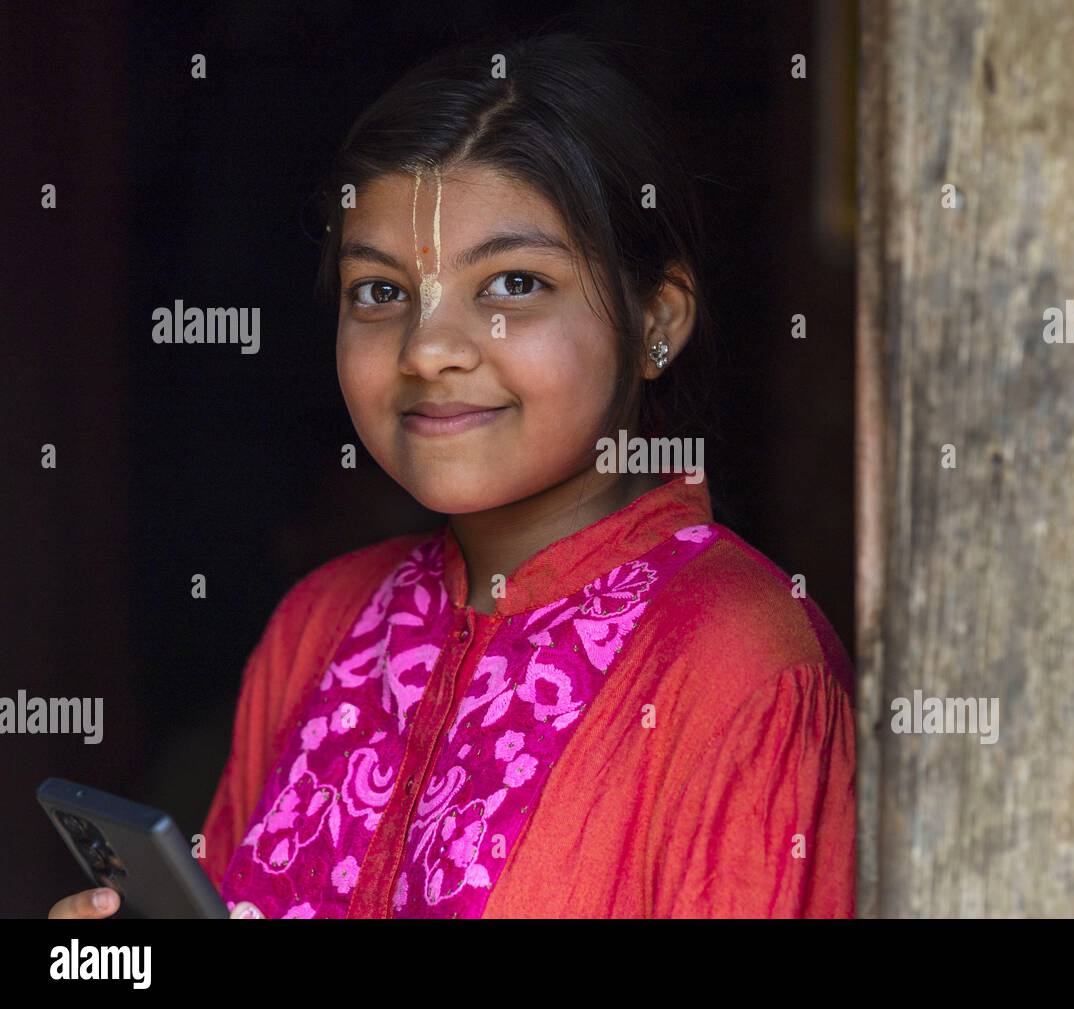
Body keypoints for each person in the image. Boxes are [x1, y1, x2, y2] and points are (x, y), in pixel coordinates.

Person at [50, 30, 855, 920]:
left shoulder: (739, 664)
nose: (428, 349)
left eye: (513, 283)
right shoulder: (322, 622)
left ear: (657, 319)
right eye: (381, 291)